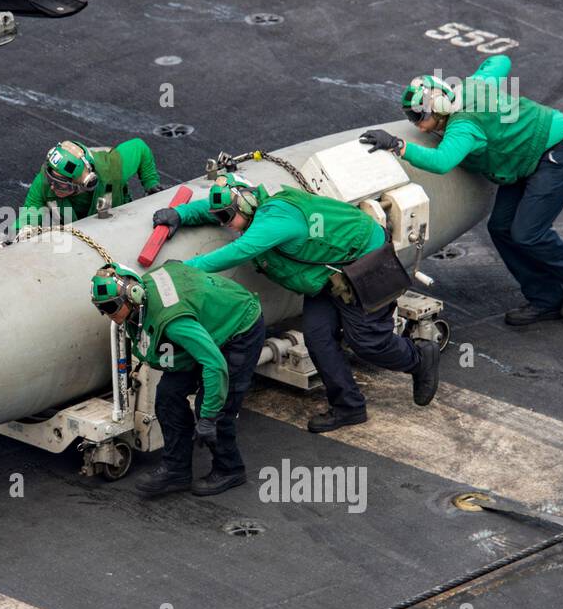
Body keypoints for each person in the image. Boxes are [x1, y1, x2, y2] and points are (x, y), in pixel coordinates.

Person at [152, 173, 439, 432]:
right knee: (317, 338)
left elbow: (239, 251)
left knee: (367, 341)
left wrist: (185, 269)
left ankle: (419, 356)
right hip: (327, 276)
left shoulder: (275, 221)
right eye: (222, 218)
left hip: (364, 265)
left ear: (248, 204)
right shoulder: (250, 207)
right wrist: (181, 214)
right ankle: (349, 407)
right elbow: (216, 207)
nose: (225, 224)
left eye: (228, 217)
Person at [360, 56, 563, 326]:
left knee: (528, 233)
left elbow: (442, 161)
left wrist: (397, 145)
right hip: (523, 160)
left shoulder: (463, 127)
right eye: (410, 116)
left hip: (557, 150)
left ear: (439, 108)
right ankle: (545, 298)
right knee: (501, 228)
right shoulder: (471, 86)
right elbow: (500, 61)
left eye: (418, 116)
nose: (414, 122)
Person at [90, 261, 265, 497]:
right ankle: (177, 470)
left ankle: (230, 468)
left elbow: (215, 364)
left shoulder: (174, 323)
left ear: (133, 295)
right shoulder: (141, 305)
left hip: (238, 329)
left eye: (111, 307)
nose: (108, 315)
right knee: (168, 397)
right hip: (203, 328)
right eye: (102, 309)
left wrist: (209, 418)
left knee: (214, 407)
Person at [16, 139, 162, 230]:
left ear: (86, 183)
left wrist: (151, 184)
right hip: (73, 231)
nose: (53, 187)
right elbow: (29, 214)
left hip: (115, 219)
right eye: (51, 180)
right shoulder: (44, 180)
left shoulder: (111, 168)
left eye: (61, 185)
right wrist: (17, 235)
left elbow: (140, 147)